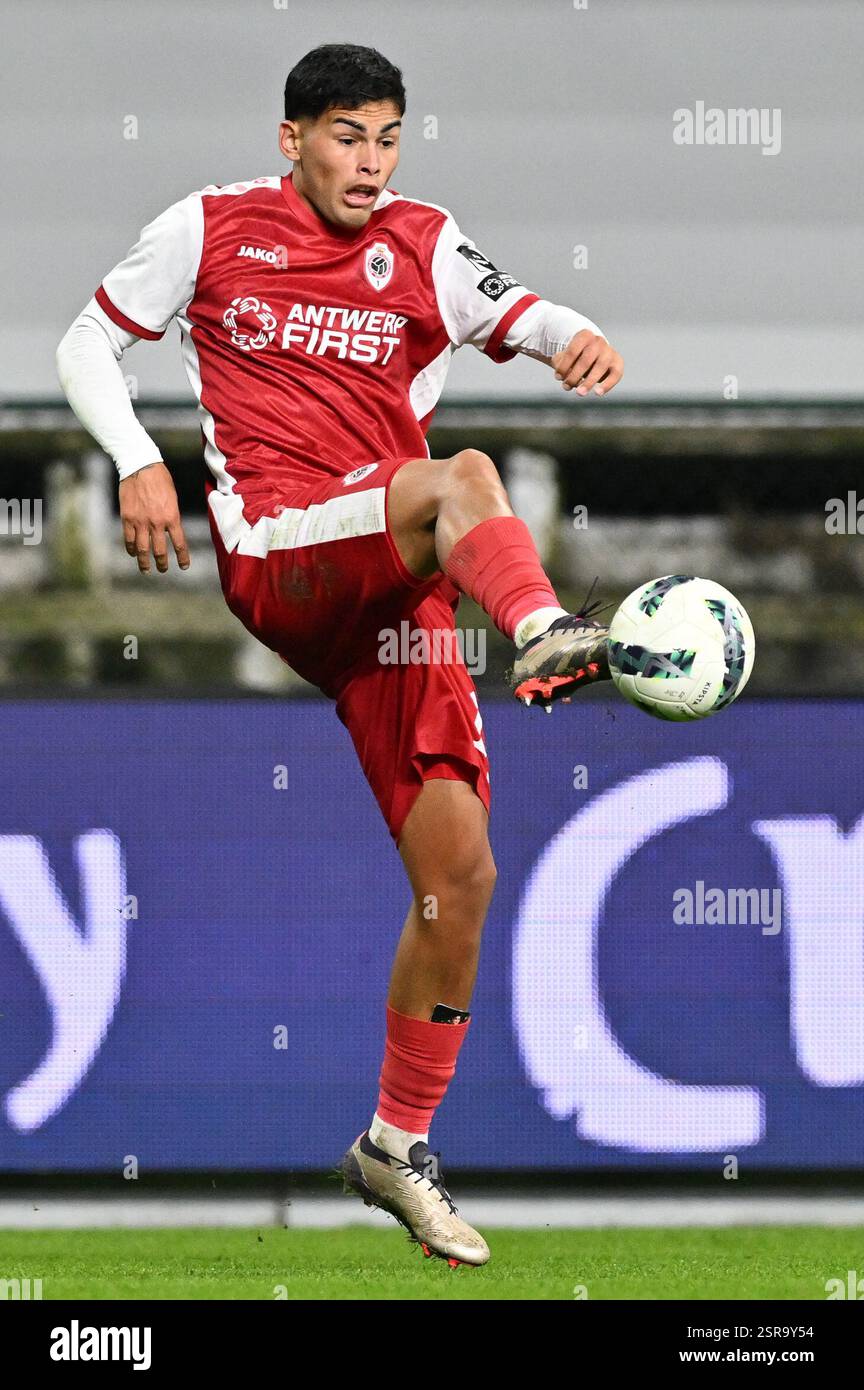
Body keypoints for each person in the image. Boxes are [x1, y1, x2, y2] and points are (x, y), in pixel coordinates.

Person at [56, 42, 623, 1267]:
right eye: (345, 136)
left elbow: (519, 312)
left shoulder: (421, 240)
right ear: (290, 138)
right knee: (464, 474)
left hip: (390, 579)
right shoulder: (208, 229)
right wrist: (138, 459)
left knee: (460, 873)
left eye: (387, 137)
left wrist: (578, 334)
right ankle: (543, 628)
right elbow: (84, 346)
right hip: (283, 548)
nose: (369, 162)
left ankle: (394, 1144)